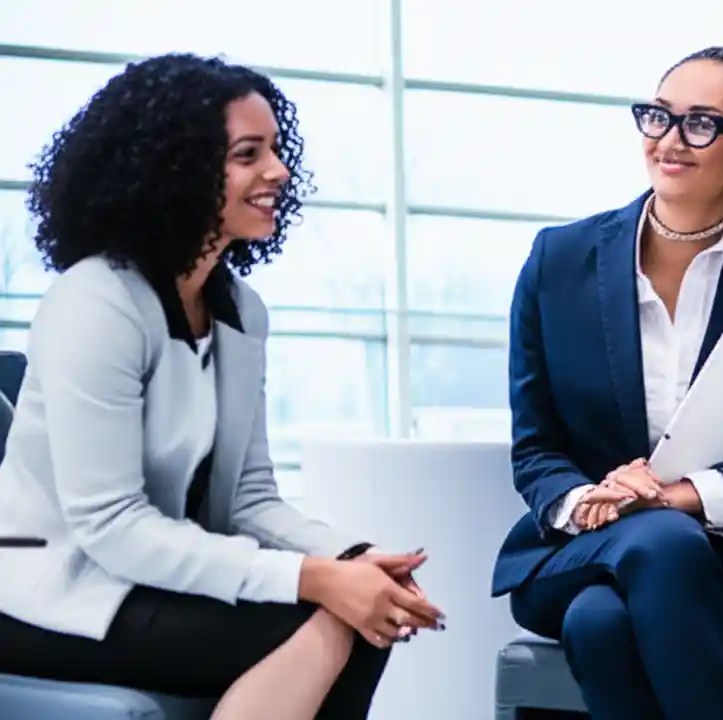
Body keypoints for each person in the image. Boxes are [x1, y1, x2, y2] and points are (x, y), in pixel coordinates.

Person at [0, 53, 444, 719]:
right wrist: (316, 579)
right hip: (47, 593)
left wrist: (347, 556)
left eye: (274, 149)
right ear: (174, 170)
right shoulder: (94, 302)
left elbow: (249, 498)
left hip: (139, 581)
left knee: (365, 614)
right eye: (248, 154)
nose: (278, 171)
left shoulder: (239, 309)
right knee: (327, 618)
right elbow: (111, 525)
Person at [489, 45, 723, 720]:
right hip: (579, 549)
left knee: (601, 625)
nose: (670, 139)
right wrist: (591, 500)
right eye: (658, 116)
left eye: (701, 124)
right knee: (645, 554)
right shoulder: (560, 262)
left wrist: (692, 495)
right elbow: (535, 448)